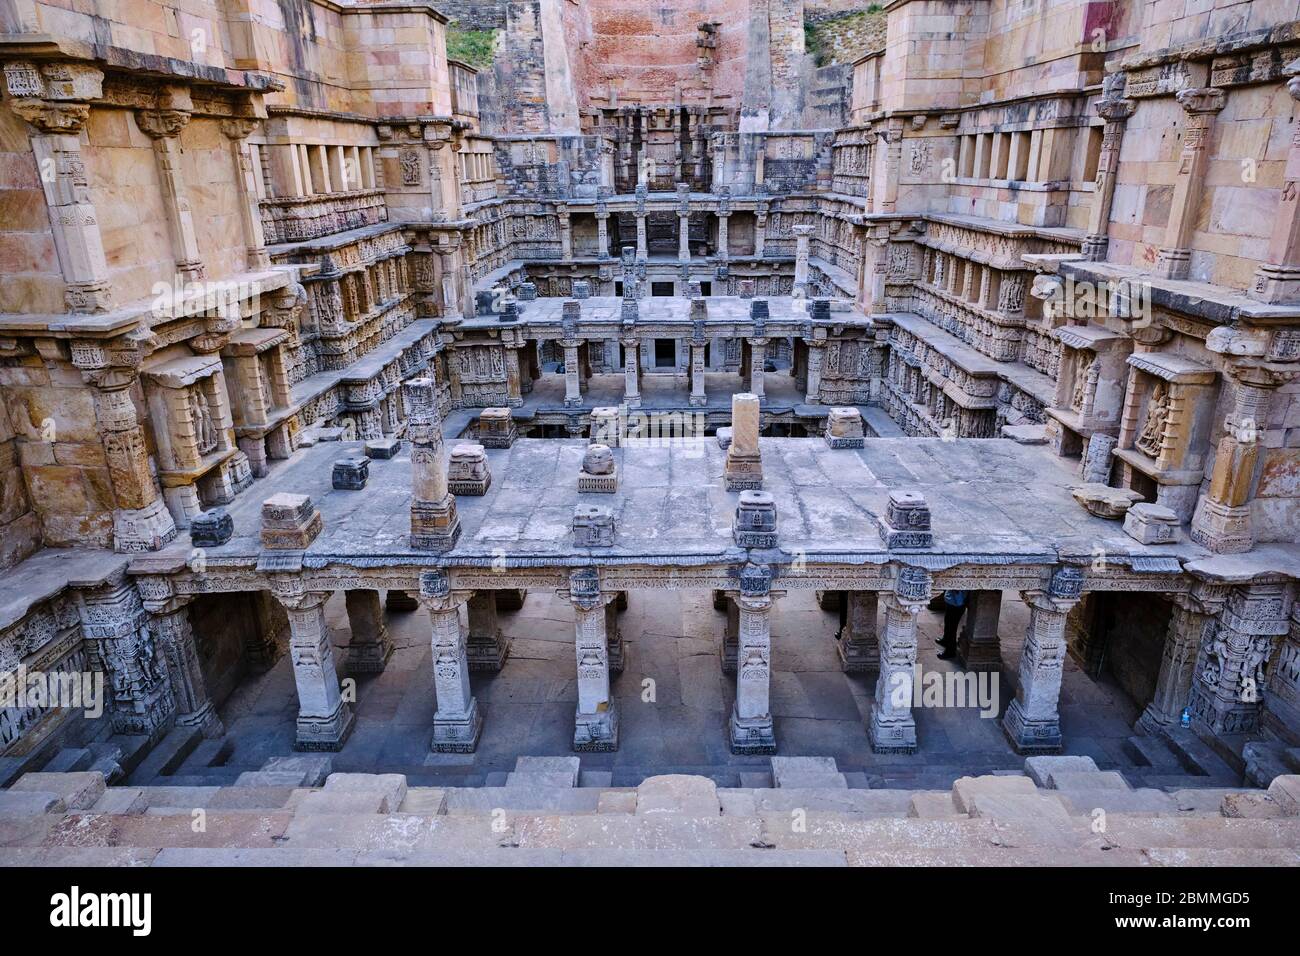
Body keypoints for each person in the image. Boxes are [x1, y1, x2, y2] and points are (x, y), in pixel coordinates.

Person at [937, 589, 968, 661]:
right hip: (951, 601)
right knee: (947, 622)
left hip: (957, 603)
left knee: (952, 627)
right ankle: (945, 640)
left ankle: (950, 651)